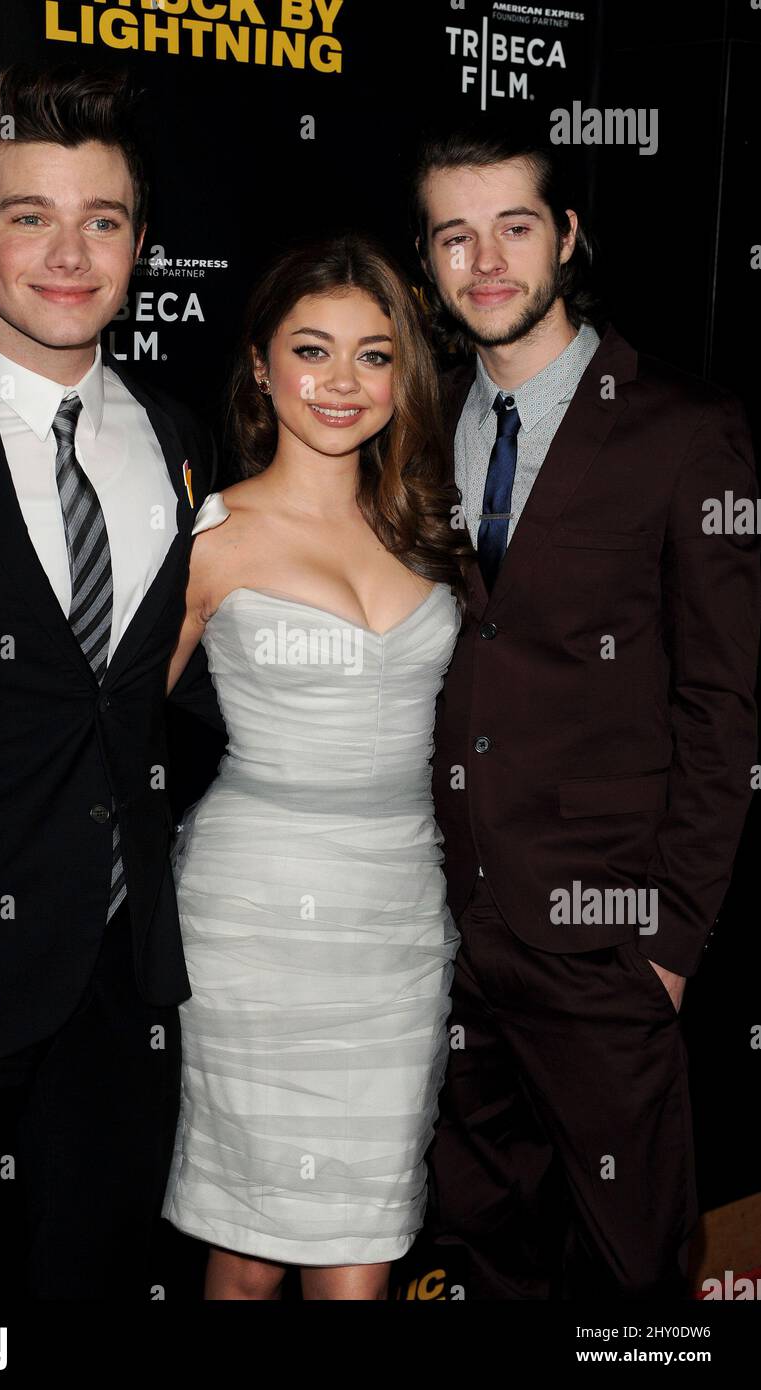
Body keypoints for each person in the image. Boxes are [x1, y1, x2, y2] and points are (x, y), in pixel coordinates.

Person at [0, 64, 222, 1299]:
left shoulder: (179, 439)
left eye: (102, 220)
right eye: (29, 216)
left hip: (127, 987)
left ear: (137, 243)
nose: (68, 255)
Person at [411, 125, 760, 1298]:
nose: (485, 260)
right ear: (427, 261)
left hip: (607, 936)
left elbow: (720, 703)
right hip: (454, 938)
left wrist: (667, 941)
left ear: (565, 237)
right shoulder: (416, 425)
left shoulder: (681, 427)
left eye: (513, 226)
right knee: (481, 1250)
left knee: (631, 1274)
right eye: (453, 235)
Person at [160, 233, 475, 1300]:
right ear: (258, 364)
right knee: (244, 1244)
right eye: (311, 350)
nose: (342, 383)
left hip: (396, 915)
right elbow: (102, 728)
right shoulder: (211, 533)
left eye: (373, 355)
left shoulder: (430, 525)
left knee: (367, 1246)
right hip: (254, 917)